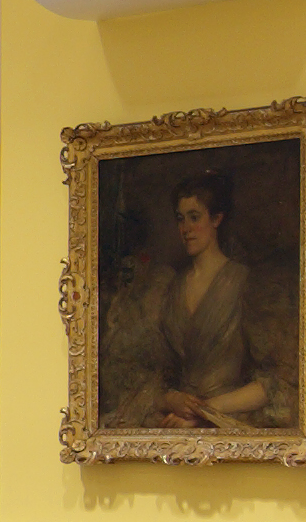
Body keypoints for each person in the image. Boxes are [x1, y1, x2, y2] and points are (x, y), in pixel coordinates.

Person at [108, 174, 275, 430]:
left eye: (195, 217)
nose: (186, 229)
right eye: (180, 219)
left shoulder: (242, 282)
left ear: (217, 220)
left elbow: (271, 384)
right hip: (177, 422)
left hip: (228, 417)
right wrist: (172, 399)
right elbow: (161, 373)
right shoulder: (173, 288)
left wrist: (205, 412)